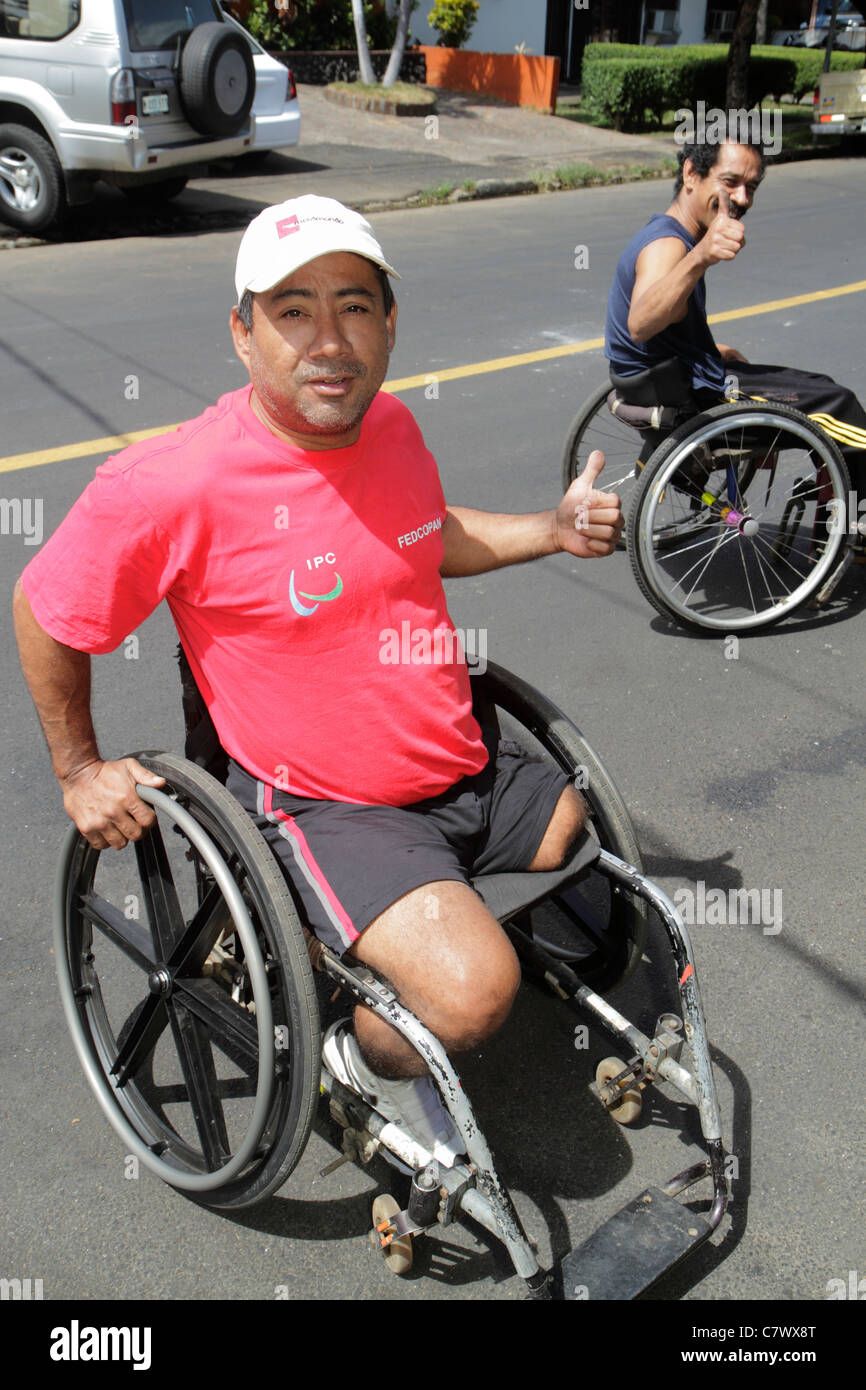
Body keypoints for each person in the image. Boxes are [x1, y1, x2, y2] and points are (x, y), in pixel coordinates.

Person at [14, 194, 623, 1167]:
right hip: (327, 800)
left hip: (455, 761)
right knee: (475, 990)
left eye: (353, 304)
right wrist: (78, 765)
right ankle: (357, 1056)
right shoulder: (177, 482)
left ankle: (392, 927)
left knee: (566, 830)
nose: (328, 338)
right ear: (242, 331)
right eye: (292, 310)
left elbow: (428, 537)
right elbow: (48, 607)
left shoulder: (388, 429)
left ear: (389, 321)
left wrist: (548, 529)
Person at [605, 136, 866, 504]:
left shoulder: (668, 231)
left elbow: (662, 326)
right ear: (691, 174)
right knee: (842, 407)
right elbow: (640, 323)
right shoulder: (669, 245)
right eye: (730, 183)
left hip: (671, 374)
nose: (742, 198)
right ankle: (854, 527)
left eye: (751, 187)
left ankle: (835, 501)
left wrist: (710, 348)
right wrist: (702, 256)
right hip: (696, 393)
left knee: (819, 384)